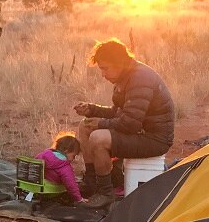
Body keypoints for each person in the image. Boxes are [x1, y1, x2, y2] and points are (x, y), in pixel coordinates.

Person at [74, 38, 175, 209]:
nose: (103, 74)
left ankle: (106, 193)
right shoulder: (125, 75)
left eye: (105, 68)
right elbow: (119, 113)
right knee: (85, 126)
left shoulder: (140, 78)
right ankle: (92, 182)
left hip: (154, 139)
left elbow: (130, 124)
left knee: (98, 138)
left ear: (118, 62)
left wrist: (101, 123)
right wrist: (92, 110)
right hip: (140, 132)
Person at [35, 132, 83, 204]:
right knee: (69, 183)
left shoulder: (43, 154)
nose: (74, 159)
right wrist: (78, 198)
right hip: (49, 189)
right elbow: (71, 184)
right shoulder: (64, 165)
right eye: (73, 156)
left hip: (36, 184)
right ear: (66, 151)